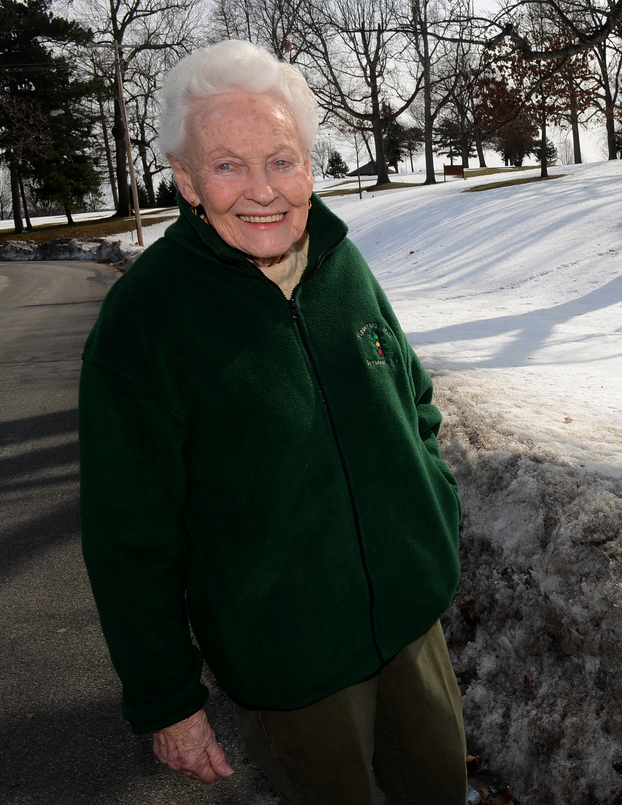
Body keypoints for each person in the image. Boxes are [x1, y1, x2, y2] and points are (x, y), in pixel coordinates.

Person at [78, 40, 466, 804]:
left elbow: (414, 399)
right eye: (227, 166)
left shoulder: (341, 263)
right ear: (186, 180)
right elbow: (129, 532)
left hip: (414, 628)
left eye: (281, 160)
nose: (262, 190)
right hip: (292, 668)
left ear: (311, 167)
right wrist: (168, 700)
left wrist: (432, 515)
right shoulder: (146, 321)